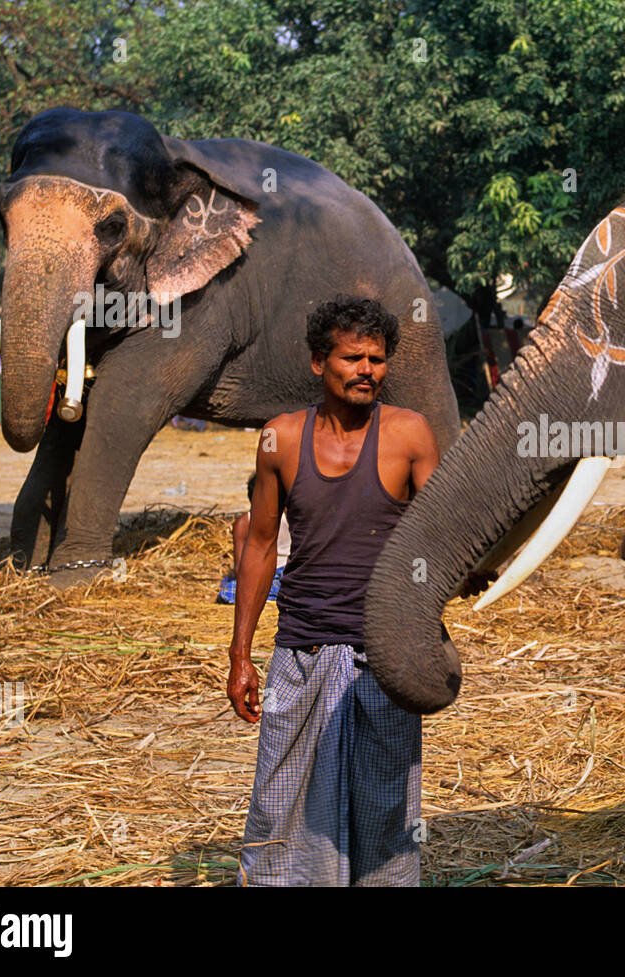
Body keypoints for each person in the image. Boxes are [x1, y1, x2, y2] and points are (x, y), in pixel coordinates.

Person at [226, 295, 444, 886]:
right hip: (299, 649)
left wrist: (427, 636)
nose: (367, 370)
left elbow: (440, 541)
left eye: (377, 359)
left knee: (383, 813)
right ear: (319, 362)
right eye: (353, 358)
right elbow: (261, 545)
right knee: (282, 805)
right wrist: (240, 653)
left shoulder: (410, 435)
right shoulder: (280, 439)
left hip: (384, 657)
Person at [217, 474, 290, 604]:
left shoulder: (245, 522)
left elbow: (240, 567)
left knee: (229, 590)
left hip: (274, 574)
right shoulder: (287, 516)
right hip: (282, 575)